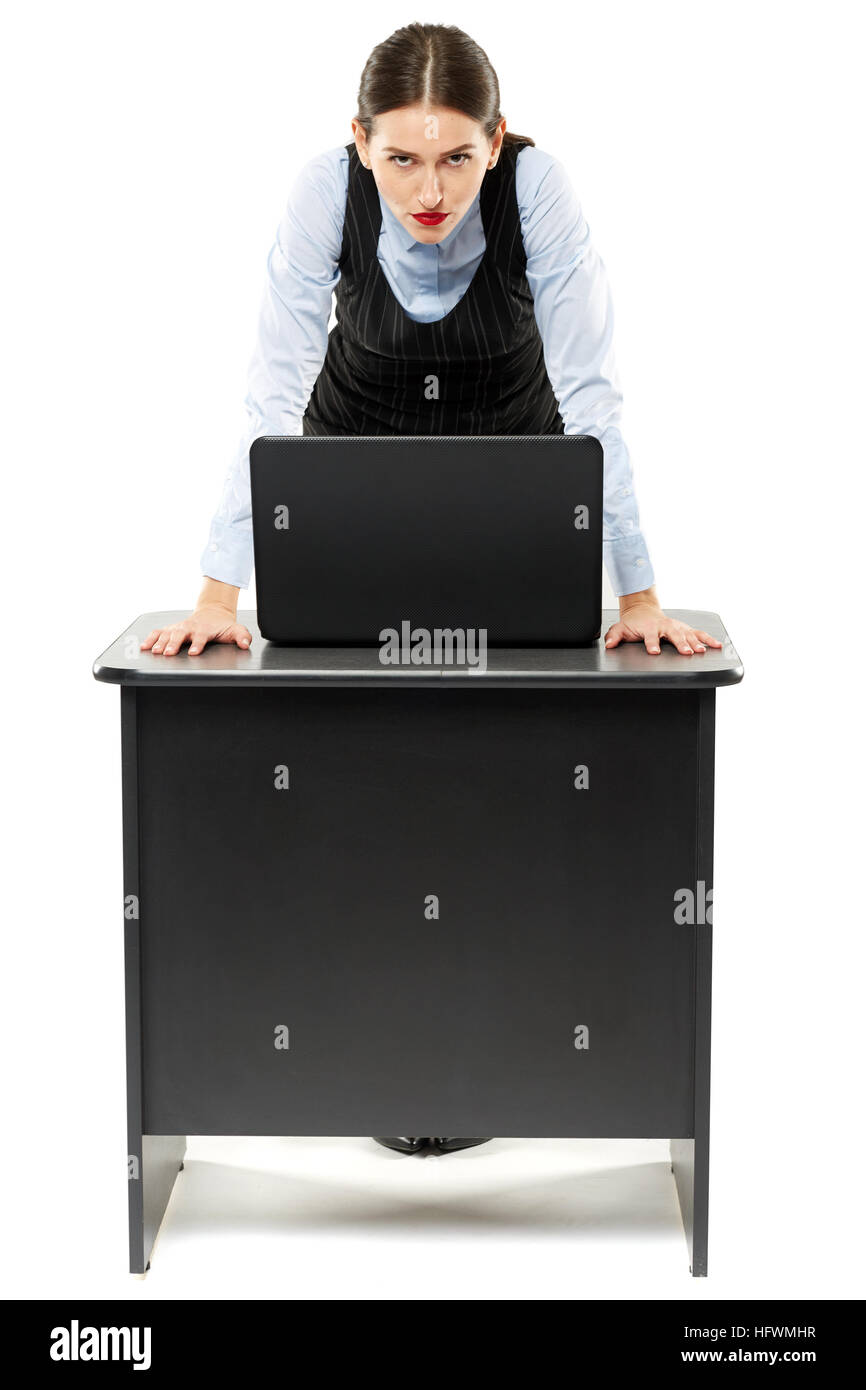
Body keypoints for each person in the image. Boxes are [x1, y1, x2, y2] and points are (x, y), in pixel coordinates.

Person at [141, 23, 722, 1157]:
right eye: (401, 158)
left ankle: (485, 1054)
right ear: (357, 145)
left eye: (456, 157)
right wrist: (220, 594)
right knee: (361, 765)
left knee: (493, 764)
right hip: (356, 487)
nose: (429, 188)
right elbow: (267, 394)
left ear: (495, 143)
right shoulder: (322, 195)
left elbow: (594, 393)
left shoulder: (539, 192)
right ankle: (371, 1049)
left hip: (509, 486)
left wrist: (638, 593)